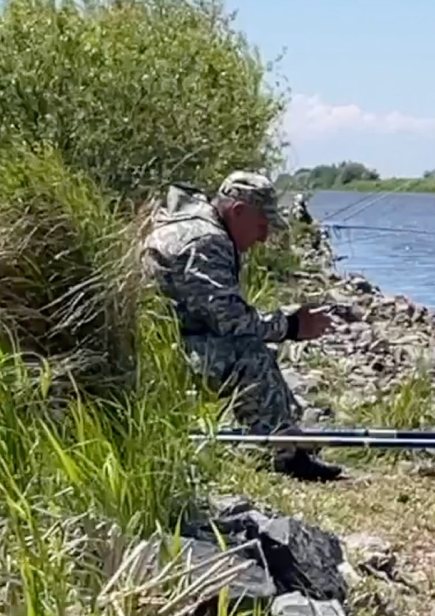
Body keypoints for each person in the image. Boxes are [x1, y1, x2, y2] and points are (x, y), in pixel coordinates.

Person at [143, 171, 341, 481]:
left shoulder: (195, 227)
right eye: (262, 226)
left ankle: (285, 437)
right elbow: (233, 322)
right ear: (238, 212)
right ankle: (280, 454)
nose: (263, 237)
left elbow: (216, 311)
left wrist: (282, 321)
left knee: (255, 345)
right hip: (162, 355)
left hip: (161, 342)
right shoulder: (207, 242)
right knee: (250, 354)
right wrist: (291, 325)